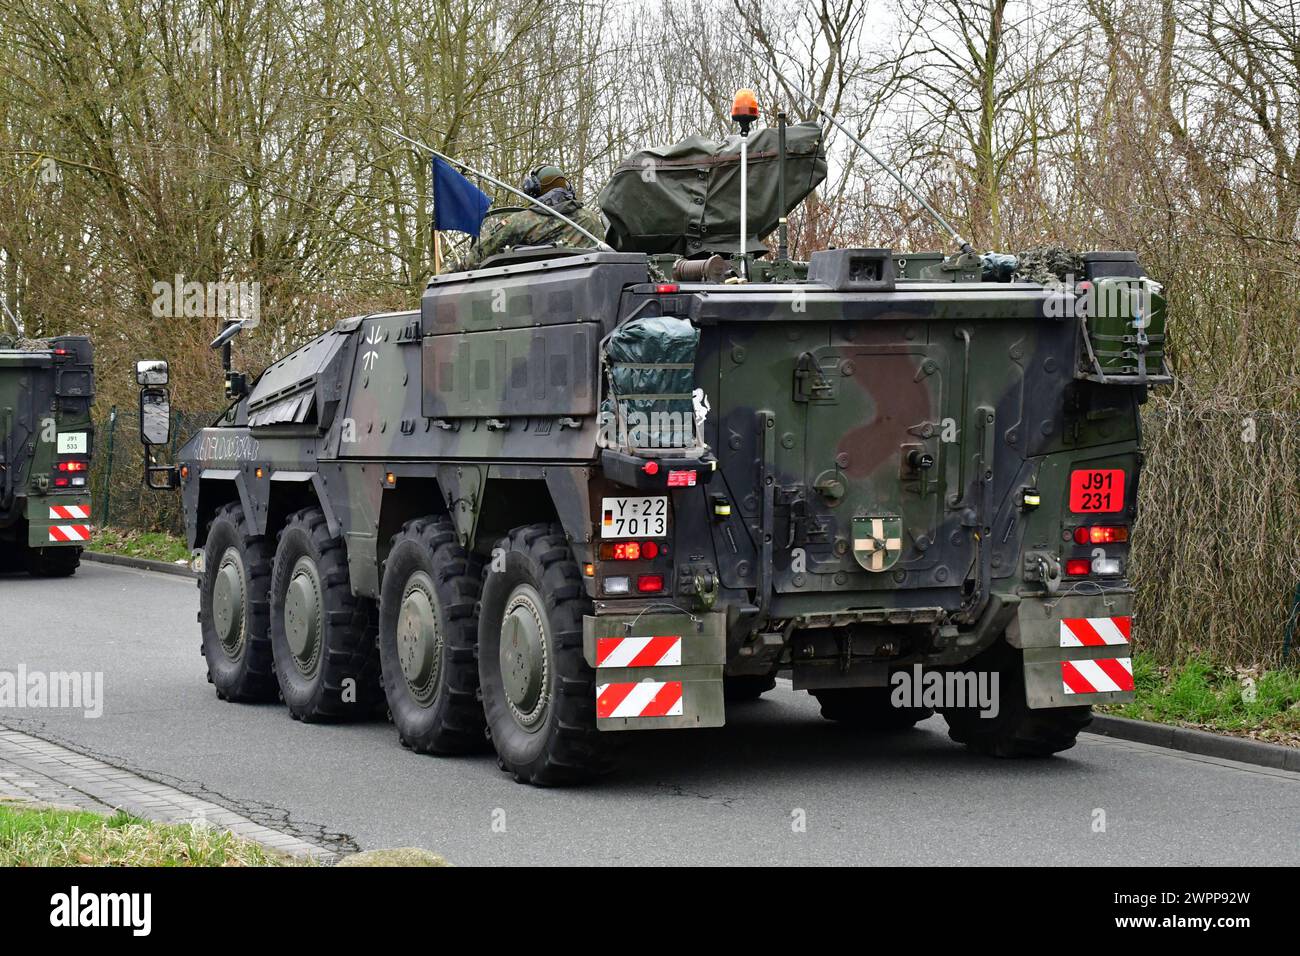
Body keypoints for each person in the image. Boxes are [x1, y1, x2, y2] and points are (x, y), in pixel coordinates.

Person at [448, 165, 605, 271]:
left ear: (533, 189)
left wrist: (444, 274)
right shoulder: (591, 219)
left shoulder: (523, 221)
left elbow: (477, 256)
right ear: (567, 187)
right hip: (588, 298)